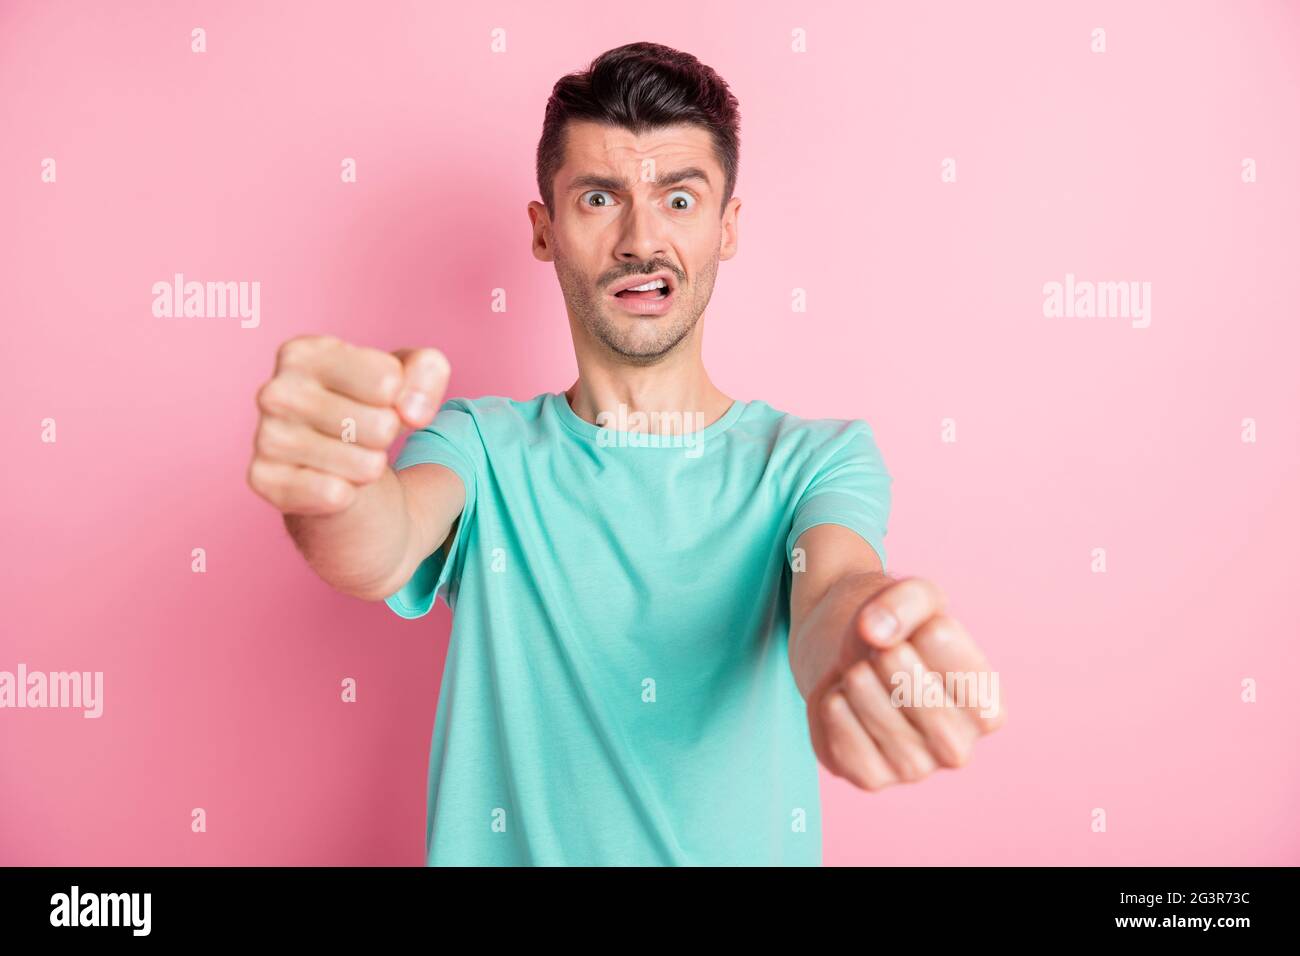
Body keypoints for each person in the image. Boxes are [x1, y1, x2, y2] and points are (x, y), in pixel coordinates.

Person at [247, 41, 1005, 866]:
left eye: (680, 199)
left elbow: (833, 592)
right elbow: (379, 542)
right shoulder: (479, 445)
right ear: (544, 230)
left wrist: (864, 647)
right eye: (600, 197)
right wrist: (331, 484)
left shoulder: (816, 461)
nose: (642, 240)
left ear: (728, 227)